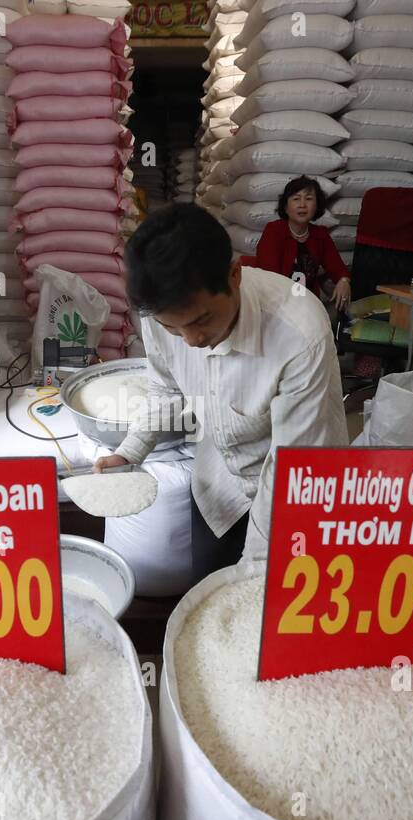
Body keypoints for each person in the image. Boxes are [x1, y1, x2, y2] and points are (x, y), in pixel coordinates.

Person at [93, 204, 348, 580]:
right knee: (210, 587)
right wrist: (130, 452)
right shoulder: (160, 313)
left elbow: (292, 469)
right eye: (174, 329)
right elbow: (166, 389)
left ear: (234, 275)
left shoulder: (299, 333)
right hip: (220, 488)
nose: (191, 341)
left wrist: (256, 566)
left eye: (201, 321)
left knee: (270, 604)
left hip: (295, 490)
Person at [255, 176, 352, 312]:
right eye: (296, 199)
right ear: (286, 207)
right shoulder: (274, 232)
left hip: (308, 306)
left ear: (317, 205)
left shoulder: (320, 235)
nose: (302, 204)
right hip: (276, 306)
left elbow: (337, 267)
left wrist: (343, 281)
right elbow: (269, 280)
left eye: (309, 199)